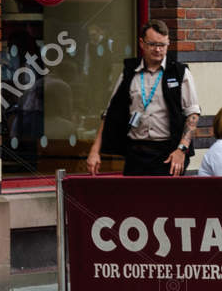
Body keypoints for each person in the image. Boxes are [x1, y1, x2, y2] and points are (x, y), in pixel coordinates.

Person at [86, 20, 201, 176]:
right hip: (136, 153)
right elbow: (110, 113)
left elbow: (192, 114)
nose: (158, 49)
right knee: (134, 199)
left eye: (163, 45)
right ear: (142, 43)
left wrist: (182, 149)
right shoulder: (129, 72)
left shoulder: (179, 72)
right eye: (153, 44)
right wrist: (94, 151)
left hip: (168, 154)